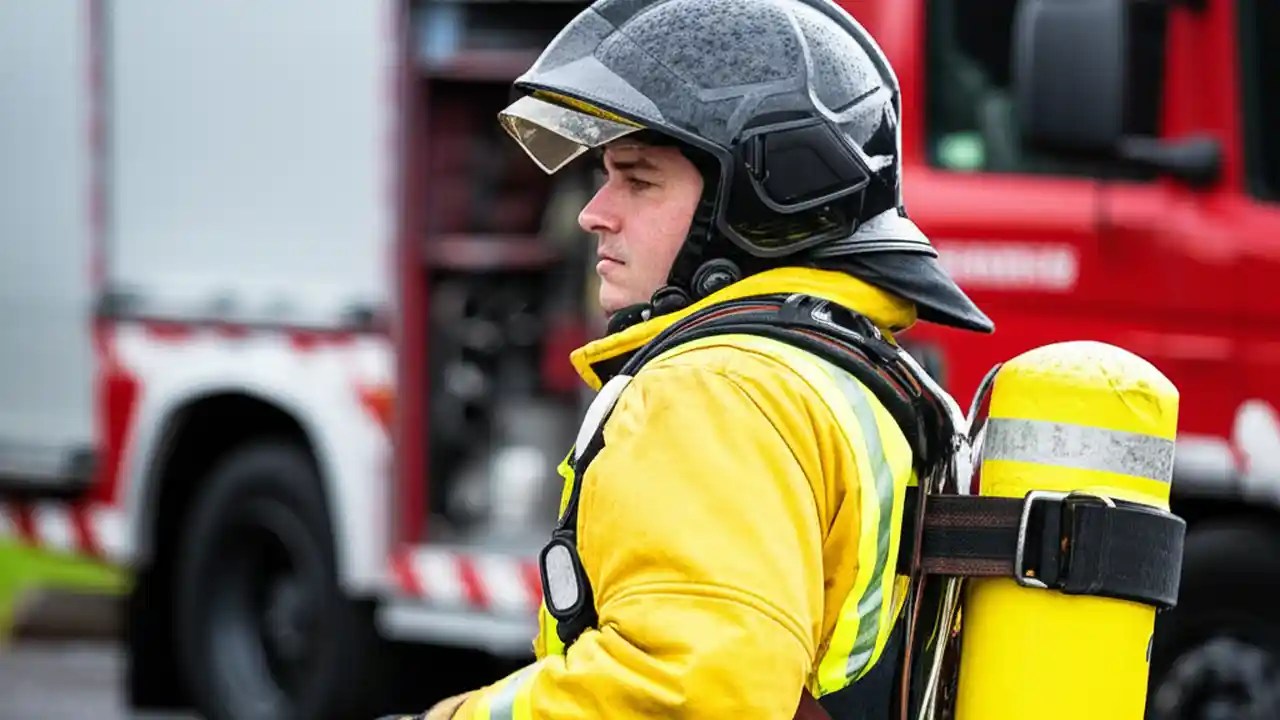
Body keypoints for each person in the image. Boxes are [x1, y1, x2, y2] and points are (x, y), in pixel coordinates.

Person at [398, 0, 992, 717]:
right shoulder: (843, 372)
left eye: (639, 181)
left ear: (758, 202)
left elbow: (686, 693)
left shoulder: (717, 390)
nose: (593, 212)